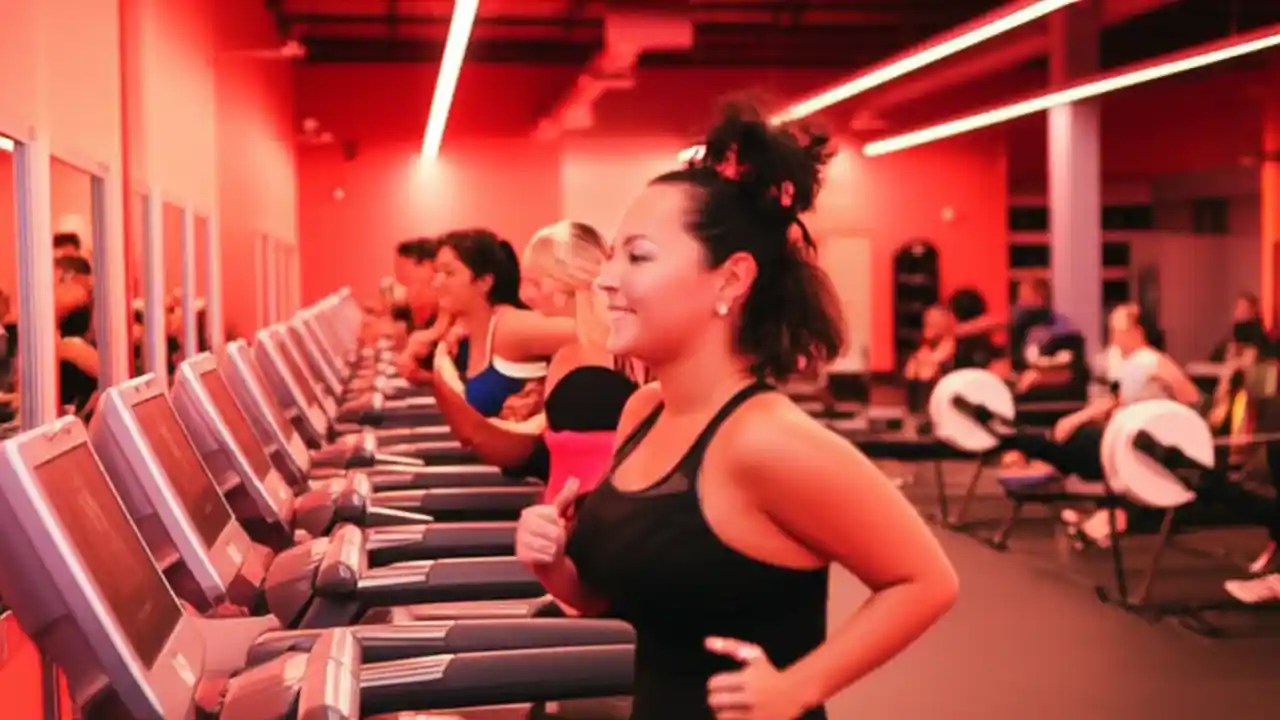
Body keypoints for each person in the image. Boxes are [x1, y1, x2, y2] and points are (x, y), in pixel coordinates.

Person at [515, 101, 958, 719]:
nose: (606, 279)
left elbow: (925, 580)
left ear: (729, 280)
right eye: (611, 255)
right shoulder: (644, 412)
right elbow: (607, 597)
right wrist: (554, 563)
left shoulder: (765, 440)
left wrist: (800, 687)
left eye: (637, 257)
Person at [1000, 303, 1201, 545]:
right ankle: (1035, 464)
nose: (1115, 337)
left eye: (1119, 331)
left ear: (1138, 331)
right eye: (1112, 330)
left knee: (1059, 439)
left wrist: (1161, 419)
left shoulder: (1155, 362)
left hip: (1138, 442)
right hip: (1116, 436)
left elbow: (1192, 399)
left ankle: (1034, 460)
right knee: (1057, 438)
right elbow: (1111, 400)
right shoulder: (1120, 361)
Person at [430, 228, 577, 417]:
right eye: (437, 272)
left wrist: (547, 400)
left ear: (484, 282)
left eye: (449, 273)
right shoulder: (465, 330)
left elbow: (589, 333)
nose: (436, 282)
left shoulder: (509, 327)